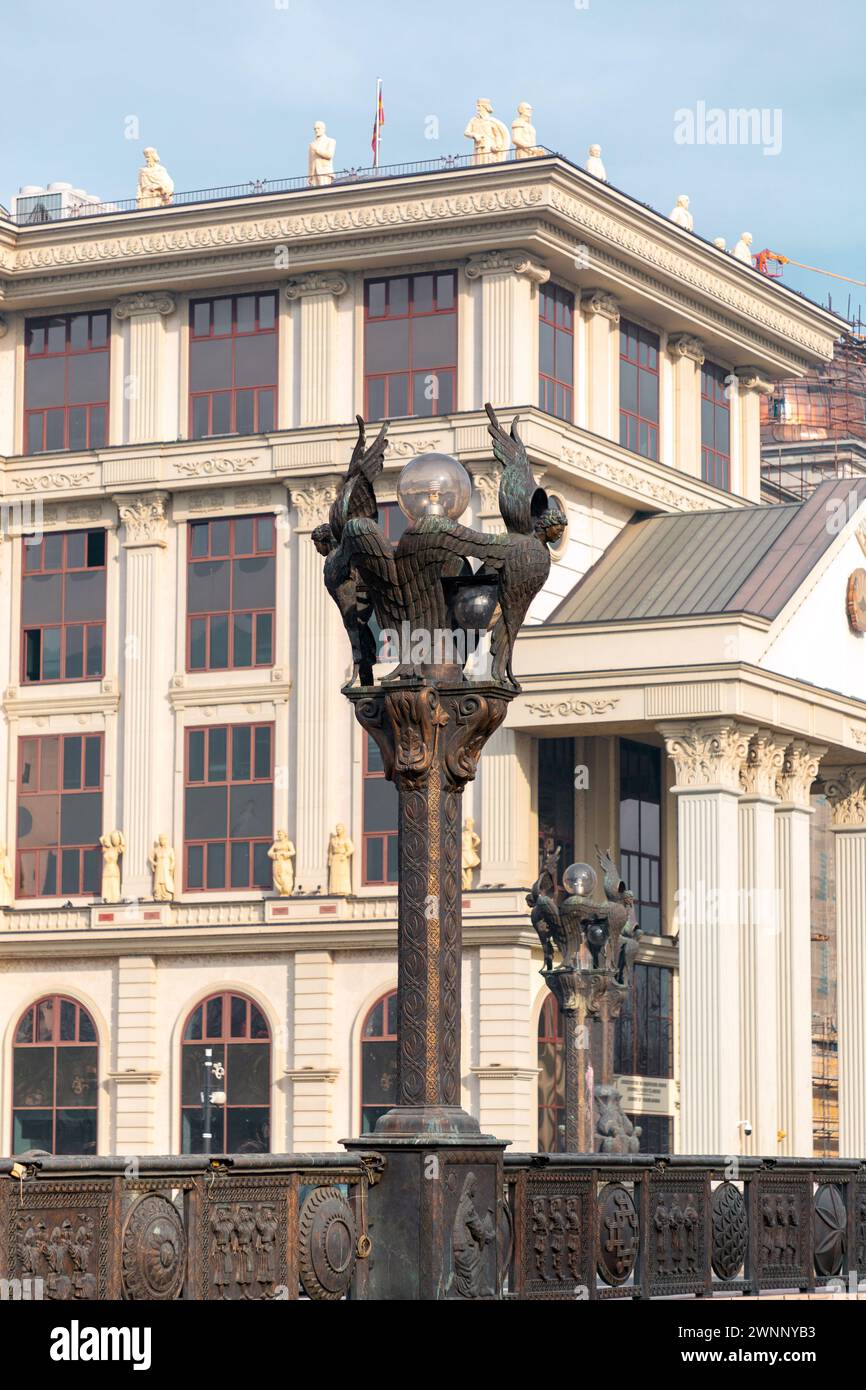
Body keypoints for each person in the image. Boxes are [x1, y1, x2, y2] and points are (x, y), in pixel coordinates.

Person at [328, 824, 354, 895]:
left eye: (339, 829)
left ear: (343, 830)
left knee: (342, 874)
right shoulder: (333, 839)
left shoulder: (346, 839)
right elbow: (330, 851)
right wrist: (330, 861)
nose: (338, 830)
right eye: (337, 829)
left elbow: (351, 849)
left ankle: (343, 890)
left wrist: (345, 855)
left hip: (342, 858)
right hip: (335, 858)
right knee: (334, 875)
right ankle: (334, 890)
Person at [308, 121, 336, 186]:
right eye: (315, 129)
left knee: (325, 191)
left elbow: (329, 155)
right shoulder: (312, 144)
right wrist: (310, 175)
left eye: (318, 128)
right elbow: (310, 161)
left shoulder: (330, 141)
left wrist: (317, 150)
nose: (316, 130)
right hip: (314, 173)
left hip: (324, 171)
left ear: (323, 129)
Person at [268, 830, 296, 896]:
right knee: (277, 876)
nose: (279, 836)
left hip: (285, 862)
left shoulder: (289, 843)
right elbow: (269, 852)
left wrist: (284, 853)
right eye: (278, 835)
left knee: (285, 876)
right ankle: (281, 890)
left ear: (284, 835)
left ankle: (286, 891)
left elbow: (293, 852)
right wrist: (275, 854)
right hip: (277, 862)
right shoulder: (276, 843)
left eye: (280, 834)